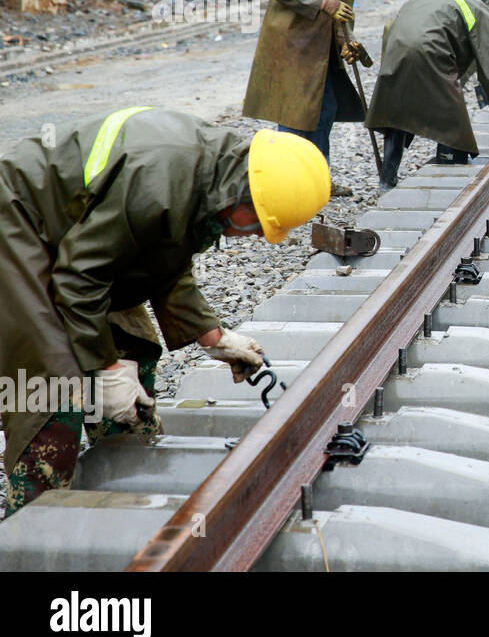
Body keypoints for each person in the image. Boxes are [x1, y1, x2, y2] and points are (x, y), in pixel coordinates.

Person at [0, 109, 330, 515]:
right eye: (260, 224)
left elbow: (164, 257)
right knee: (52, 382)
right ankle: (35, 521)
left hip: (81, 241)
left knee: (133, 351)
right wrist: (103, 369)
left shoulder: (214, 173)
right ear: (246, 196)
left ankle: (122, 486)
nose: (258, 234)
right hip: (19, 223)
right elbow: (78, 278)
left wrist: (212, 335)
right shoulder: (160, 184)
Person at [243, 0, 373, 196]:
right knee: (294, 115)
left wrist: (345, 41)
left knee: (324, 111)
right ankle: (286, 183)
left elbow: (344, 10)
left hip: (322, 51)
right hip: (293, 45)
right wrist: (323, 4)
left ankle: (317, 180)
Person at [367, 0, 489, 190]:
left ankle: (386, 180)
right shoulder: (482, 12)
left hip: (395, 45)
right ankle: (450, 163)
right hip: (431, 49)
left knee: (397, 108)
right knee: (451, 115)